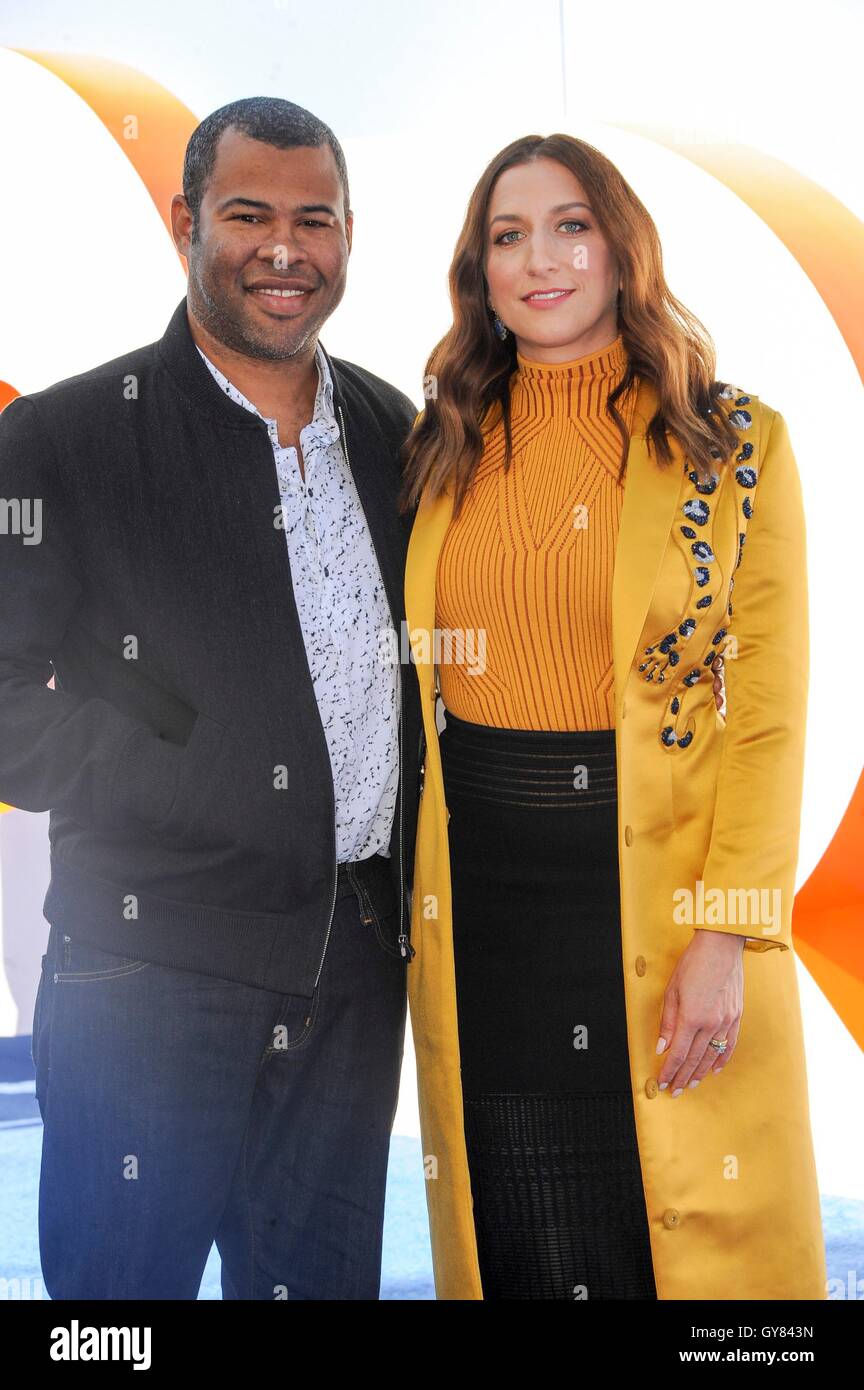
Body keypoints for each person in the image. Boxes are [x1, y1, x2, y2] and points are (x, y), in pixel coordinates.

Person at [0, 97, 422, 1300]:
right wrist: (186, 780)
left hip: (350, 965)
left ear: (348, 237)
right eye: (248, 215)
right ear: (188, 222)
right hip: (149, 964)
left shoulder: (401, 435)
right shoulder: (63, 439)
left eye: (314, 220)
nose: (283, 250)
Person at [399, 132, 826, 1300]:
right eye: (508, 233)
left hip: (665, 912)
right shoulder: (437, 443)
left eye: (571, 224)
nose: (541, 257)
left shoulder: (736, 443)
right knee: (524, 1230)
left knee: (682, 1246)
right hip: (485, 917)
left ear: (622, 247)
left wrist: (727, 936)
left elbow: (772, 713)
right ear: (478, 268)